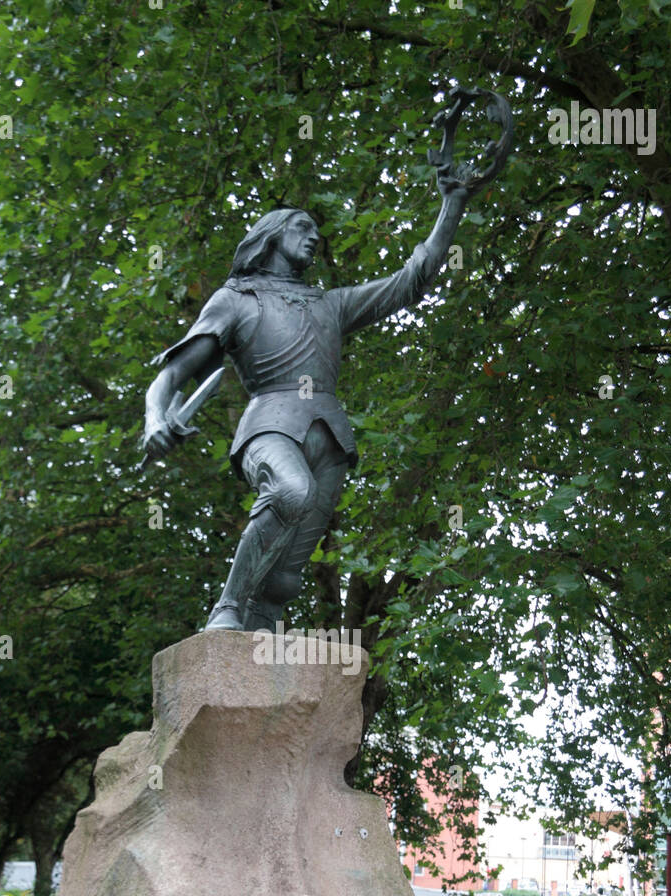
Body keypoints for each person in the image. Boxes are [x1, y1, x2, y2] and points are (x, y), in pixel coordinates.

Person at [144, 175, 471, 631]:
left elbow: (410, 282)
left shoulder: (330, 304)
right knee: (289, 491)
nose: (315, 236)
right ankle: (227, 610)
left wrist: (452, 204)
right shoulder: (236, 300)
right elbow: (174, 373)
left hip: (331, 440)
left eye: (316, 229)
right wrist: (154, 417)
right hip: (270, 427)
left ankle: (262, 642)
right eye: (303, 226)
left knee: (283, 578)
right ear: (272, 234)